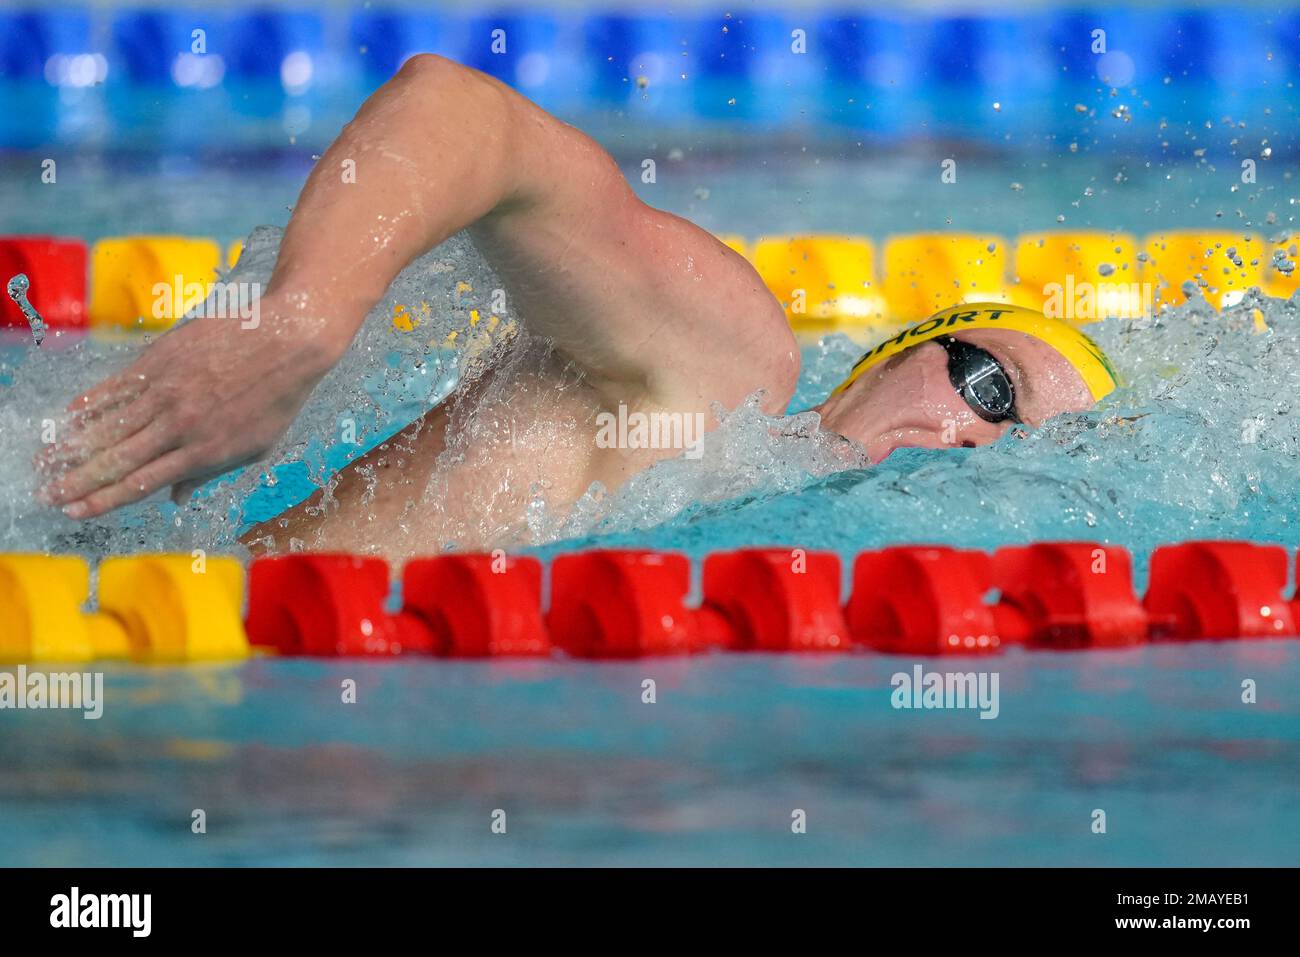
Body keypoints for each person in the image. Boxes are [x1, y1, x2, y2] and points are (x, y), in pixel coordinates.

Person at [36, 55, 1114, 554]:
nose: (971, 440)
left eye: (1017, 450)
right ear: (894, 353)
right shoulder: (718, 378)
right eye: (988, 384)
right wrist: (302, 324)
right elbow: (466, 117)